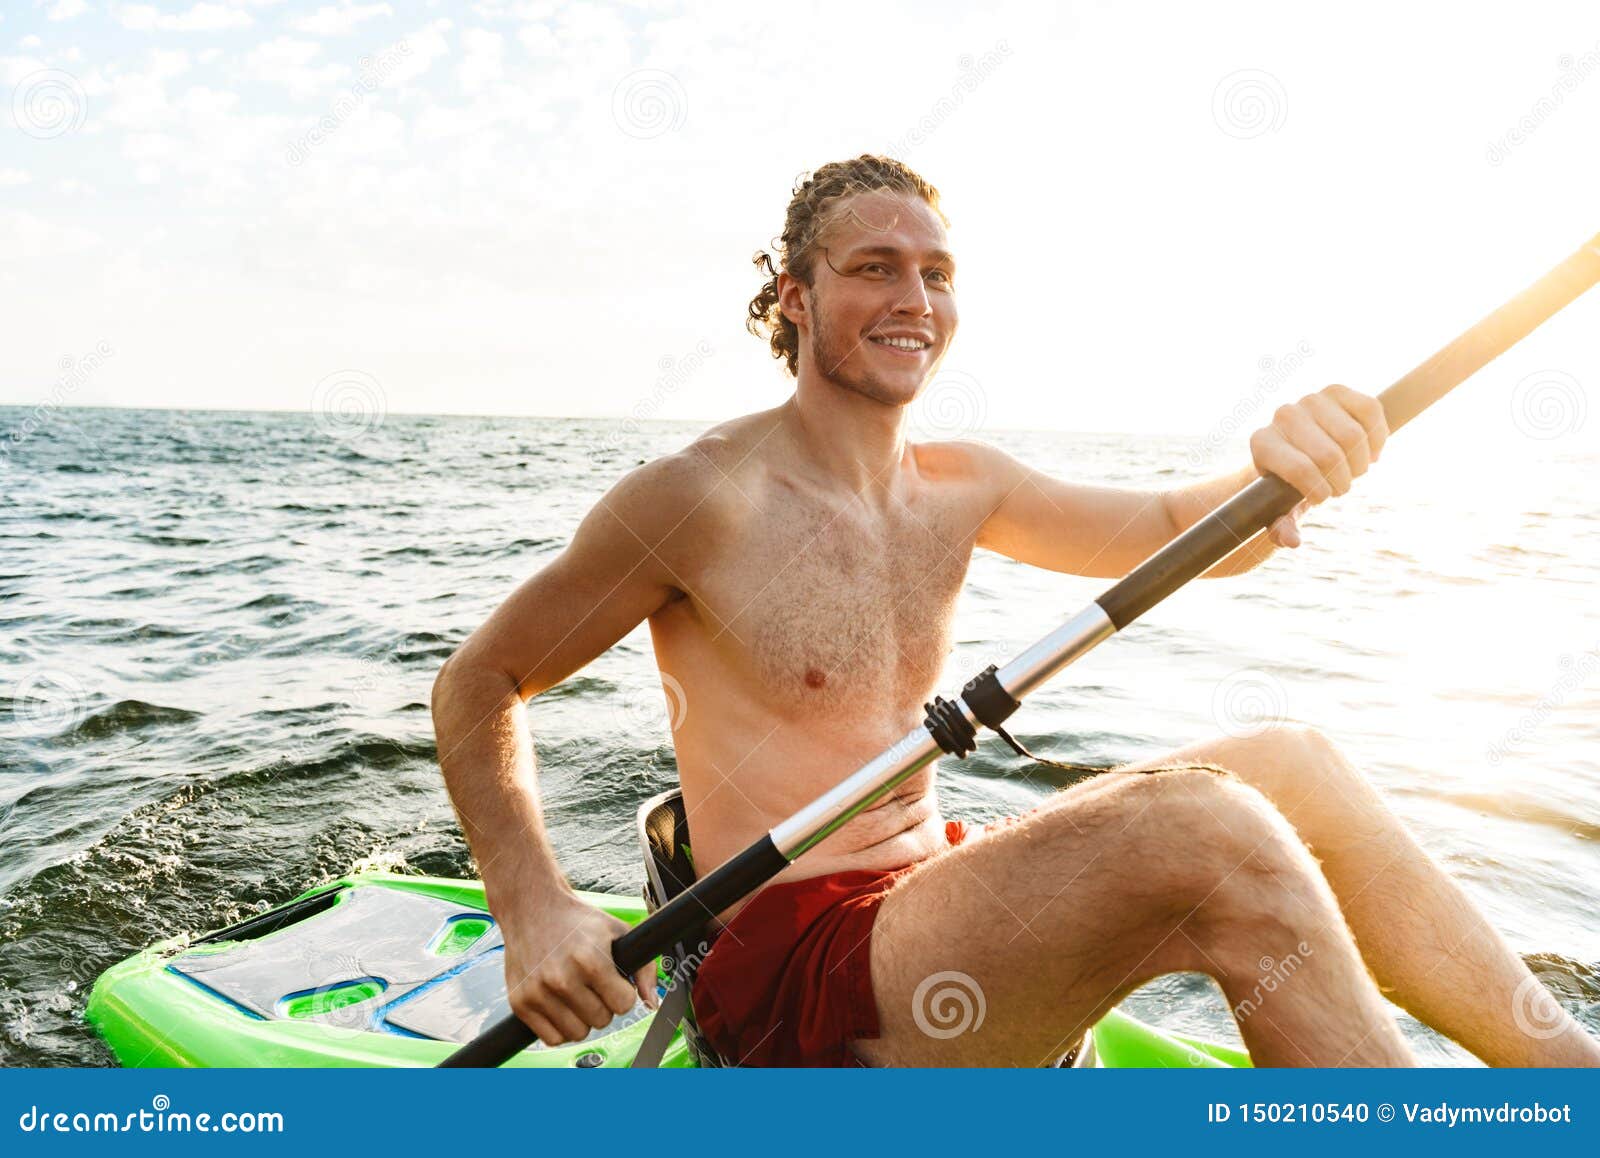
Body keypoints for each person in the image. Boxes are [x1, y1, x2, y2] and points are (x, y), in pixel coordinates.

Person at [431, 154, 1600, 1068]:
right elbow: (479, 682)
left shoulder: (960, 484)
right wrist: (532, 907)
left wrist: (1284, 465)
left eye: (936, 273)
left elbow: (1171, 532)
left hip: (924, 904)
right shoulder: (698, 499)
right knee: (1205, 830)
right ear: (793, 296)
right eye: (873, 267)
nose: (914, 297)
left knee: (1288, 764)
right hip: (790, 988)